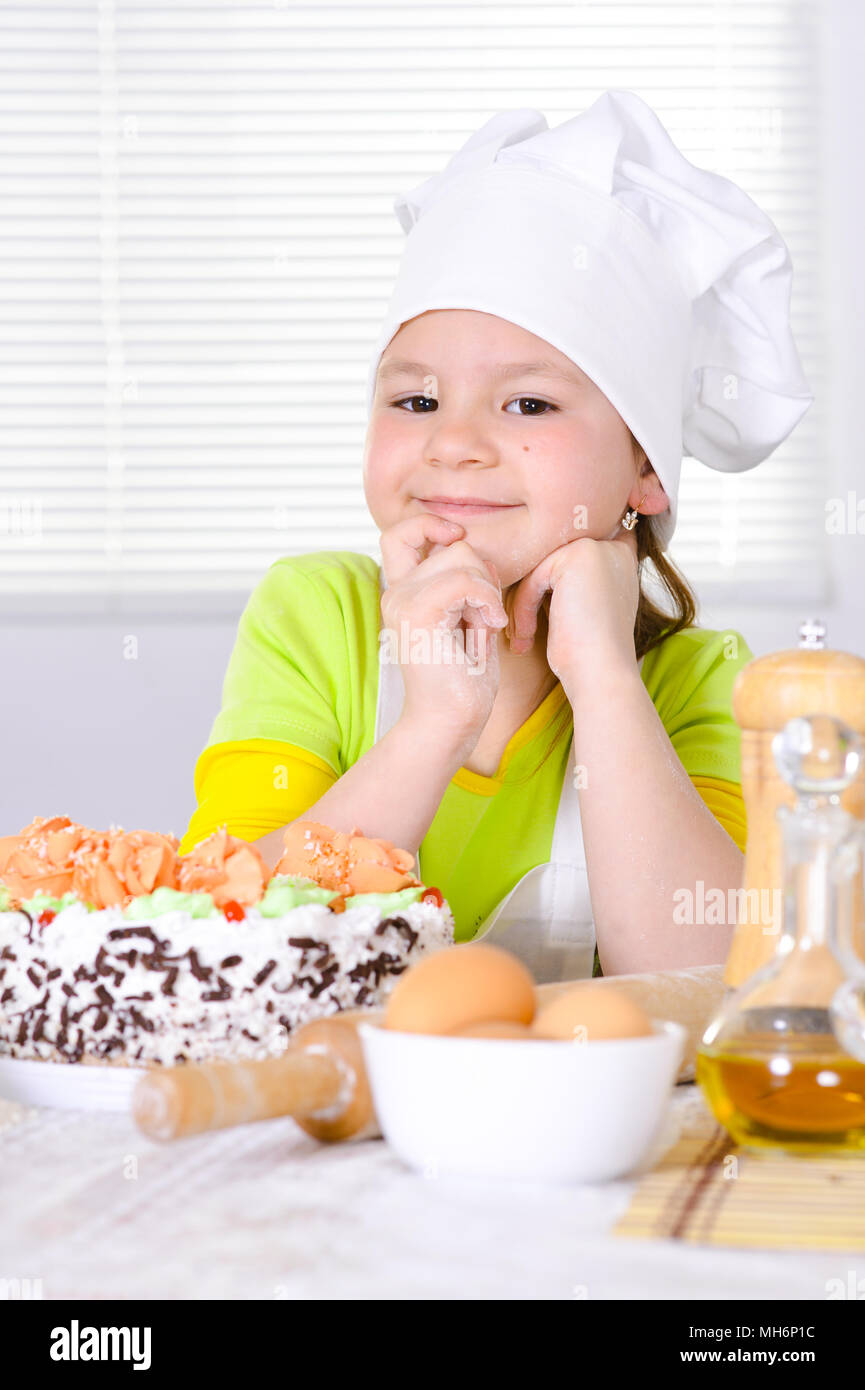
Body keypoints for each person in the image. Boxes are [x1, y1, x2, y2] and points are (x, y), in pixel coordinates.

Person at [179, 91, 812, 980]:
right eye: (415, 400)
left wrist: (602, 683)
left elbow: (708, 977)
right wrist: (433, 722)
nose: (454, 444)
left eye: (527, 403)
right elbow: (217, 939)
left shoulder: (690, 681)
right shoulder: (316, 617)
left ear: (645, 469)